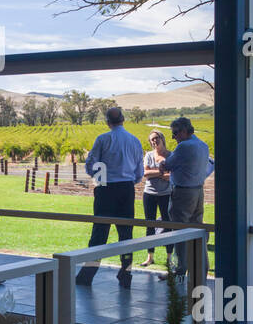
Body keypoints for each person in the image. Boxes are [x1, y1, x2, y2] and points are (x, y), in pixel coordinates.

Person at [77, 106, 144, 290]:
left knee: (99, 232)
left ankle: (87, 275)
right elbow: (139, 172)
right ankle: (126, 273)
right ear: (123, 120)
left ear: (107, 122)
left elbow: (91, 164)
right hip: (126, 189)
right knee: (126, 235)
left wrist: (97, 177)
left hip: (106, 188)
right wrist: (129, 181)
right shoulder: (134, 141)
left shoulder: (103, 139)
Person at [159, 116, 214, 280]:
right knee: (198, 229)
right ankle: (202, 267)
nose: (173, 137)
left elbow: (167, 165)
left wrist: (163, 164)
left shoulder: (184, 147)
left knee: (180, 230)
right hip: (198, 191)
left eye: (175, 133)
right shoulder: (203, 146)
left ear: (184, 131)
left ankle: (180, 268)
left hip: (182, 193)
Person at [141, 129, 171, 266]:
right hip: (149, 194)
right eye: (151, 139)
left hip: (166, 195)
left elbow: (171, 175)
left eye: (156, 138)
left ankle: (169, 258)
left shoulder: (170, 155)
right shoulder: (148, 155)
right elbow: (145, 173)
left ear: (162, 138)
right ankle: (150, 257)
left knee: (168, 225)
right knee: (150, 225)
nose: (154, 141)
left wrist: (156, 174)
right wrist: (161, 172)